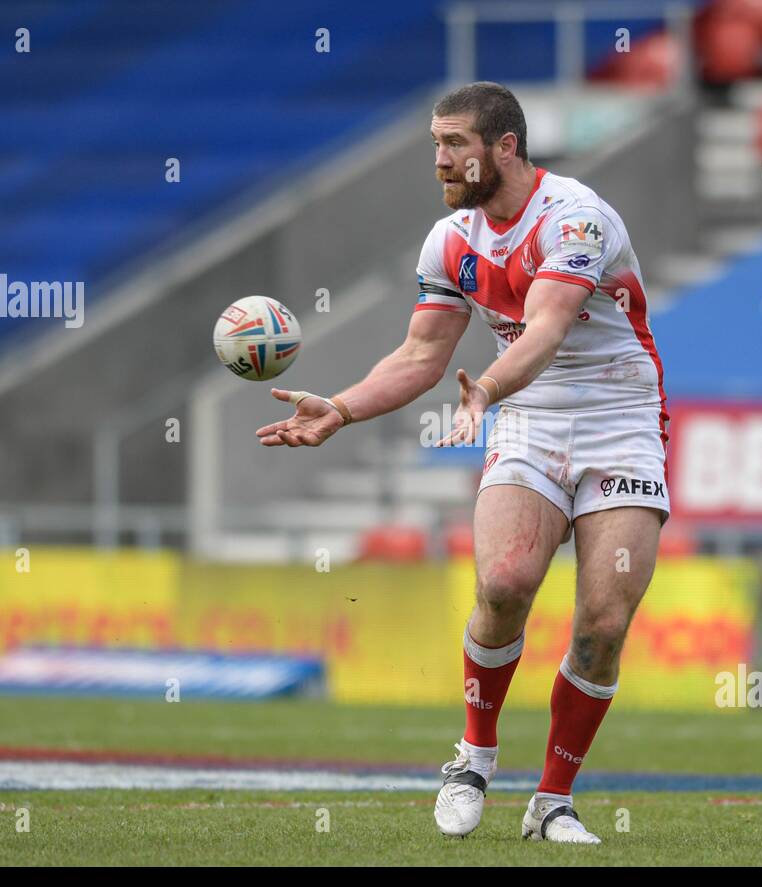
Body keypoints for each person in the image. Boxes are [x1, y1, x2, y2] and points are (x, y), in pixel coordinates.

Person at [256, 81, 668, 844]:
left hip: (619, 420)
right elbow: (420, 355)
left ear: (503, 148)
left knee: (603, 623)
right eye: (435, 144)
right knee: (506, 581)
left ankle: (552, 803)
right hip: (528, 418)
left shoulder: (575, 217)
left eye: (453, 145)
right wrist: (340, 409)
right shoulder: (450, 239)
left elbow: (543, 331)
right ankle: (473, 760)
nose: (439, 160)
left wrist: (487, 392)